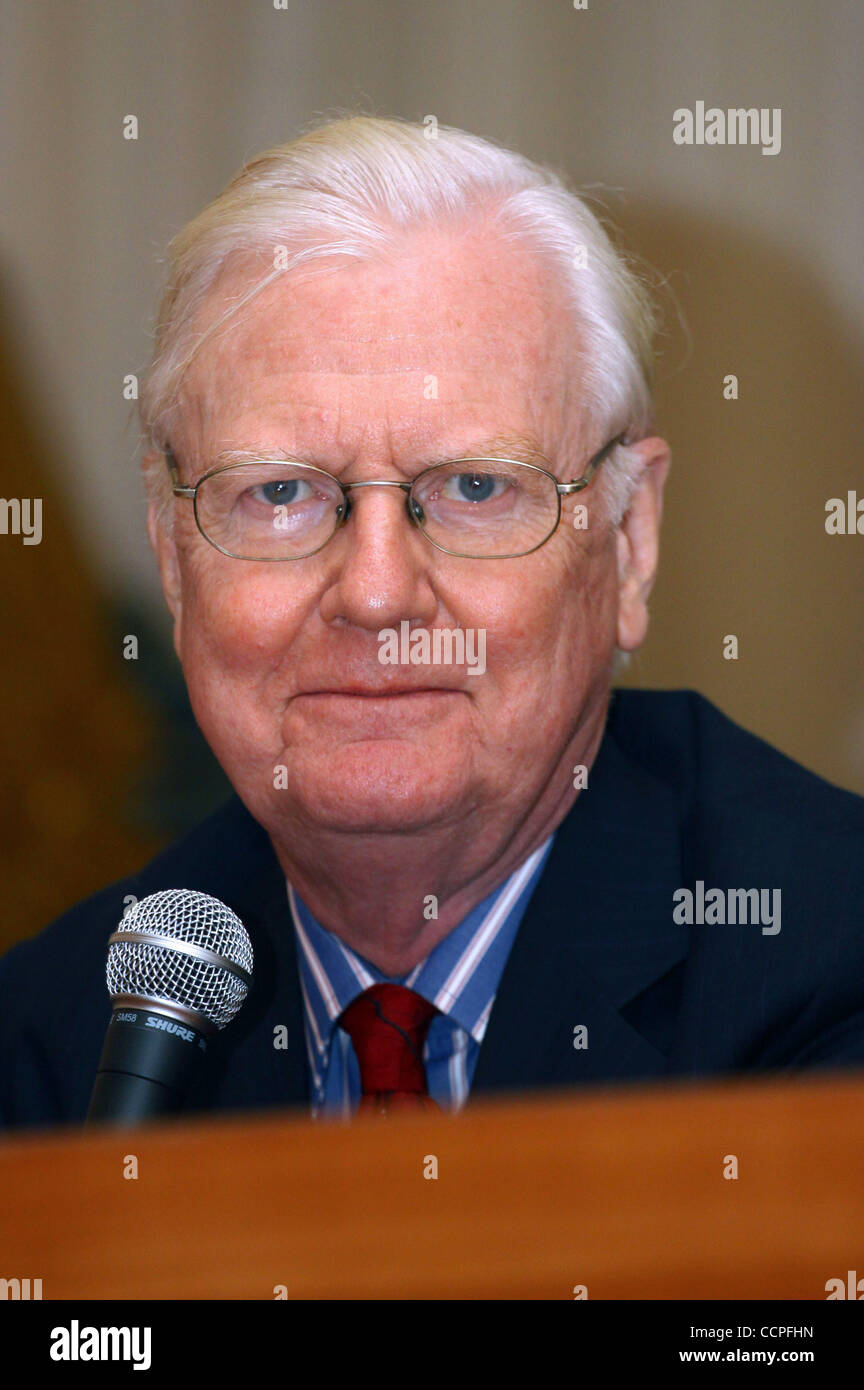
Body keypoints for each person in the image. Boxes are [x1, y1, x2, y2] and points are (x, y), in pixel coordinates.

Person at [3, 115, 863, 1131]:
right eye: (280, 493)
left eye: (472, 487)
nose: (374, 594)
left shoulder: (821, 969)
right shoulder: (55, 1048)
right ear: (174, 563)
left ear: (627, 539)